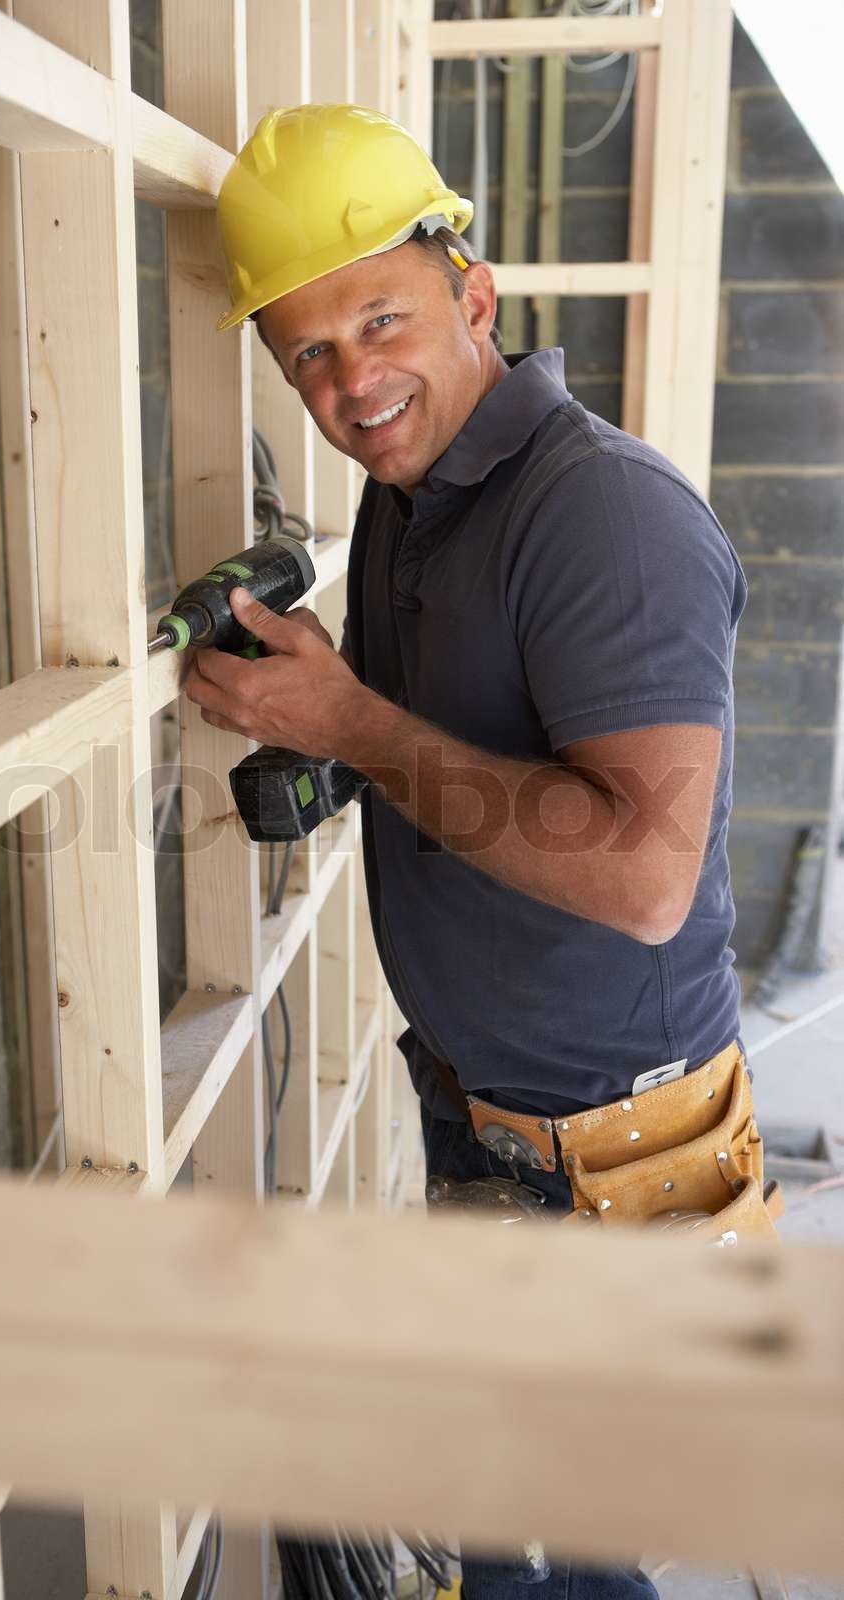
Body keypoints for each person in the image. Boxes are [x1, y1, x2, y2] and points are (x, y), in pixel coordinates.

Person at [186, 103, 775, 1600]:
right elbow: (447, 738)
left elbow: (647, 876)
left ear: (475, 294)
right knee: (513, 1542)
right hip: (492, 1126)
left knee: (551, 1568)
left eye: (379, 319)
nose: (350, 384)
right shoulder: (409, 496)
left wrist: (356, 722)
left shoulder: (603, 517)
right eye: (306, 351)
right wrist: (328, 718)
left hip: (606, 1158)